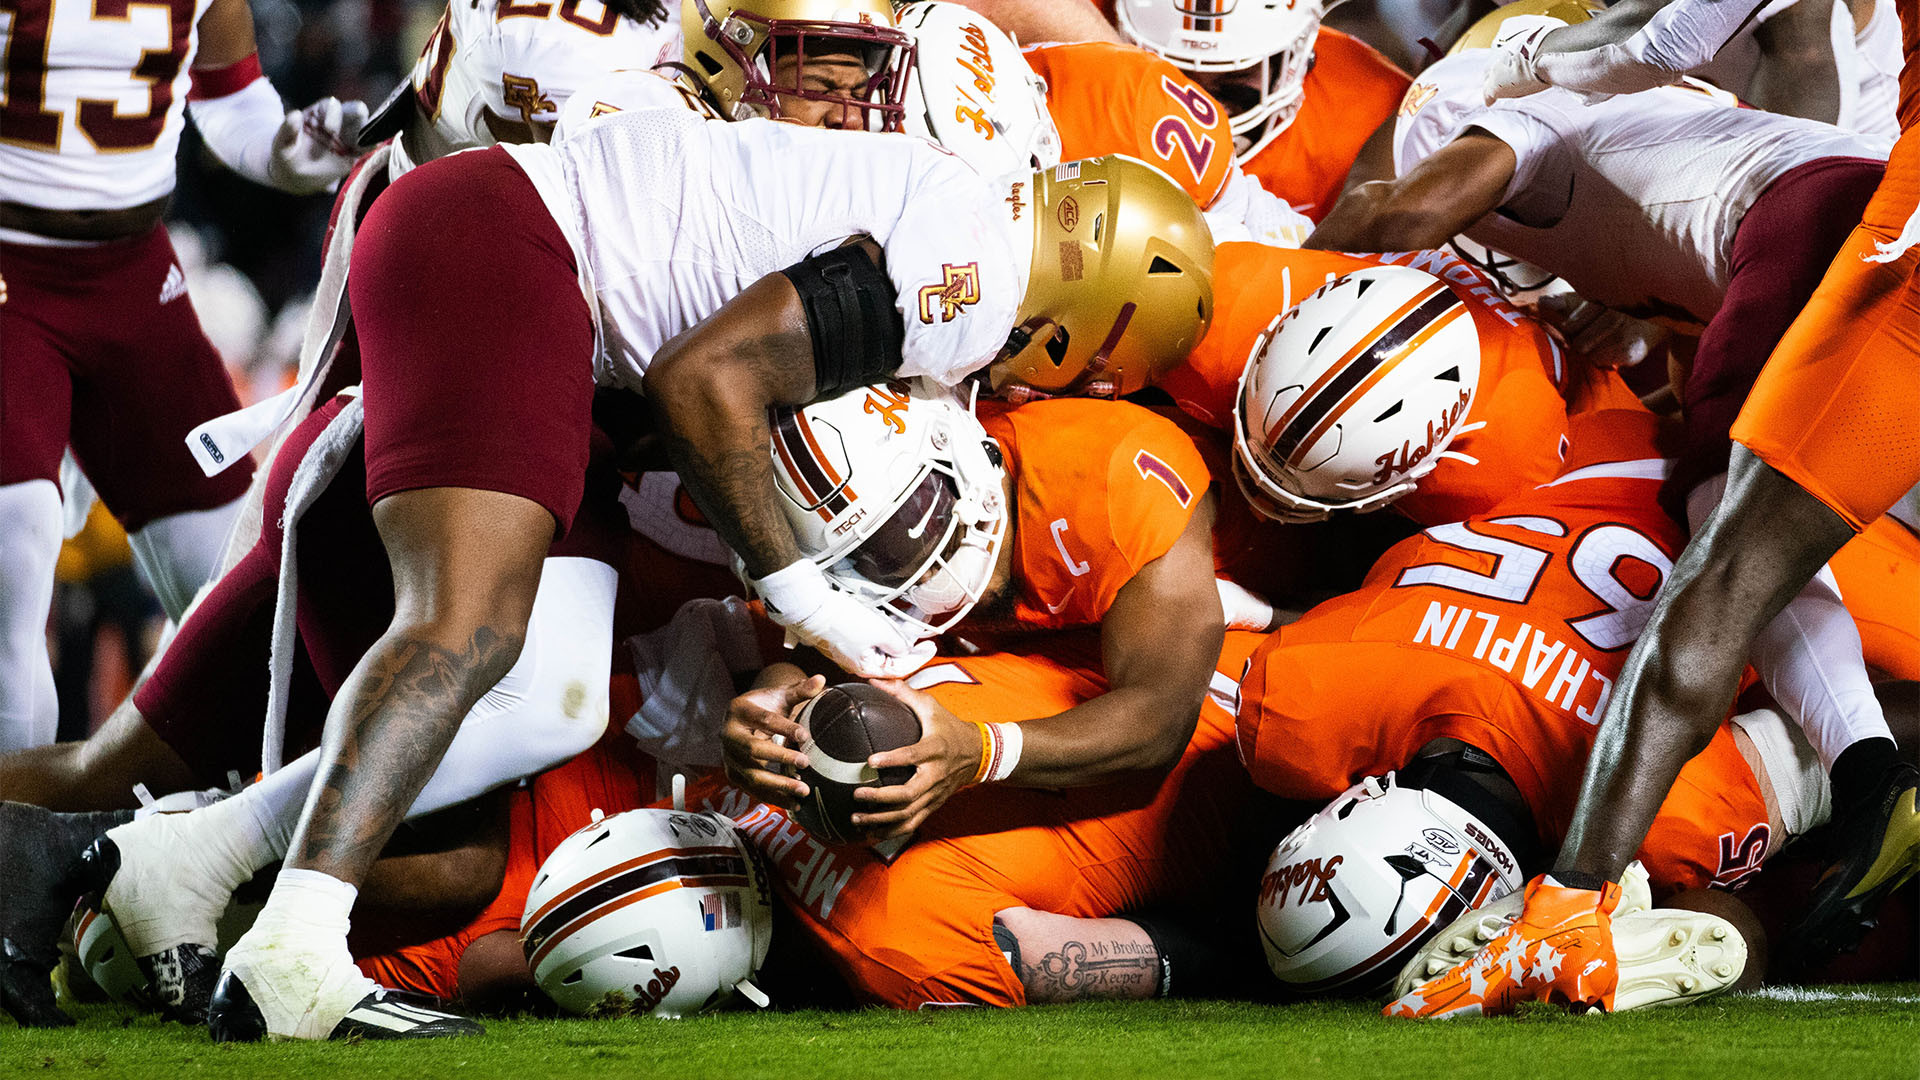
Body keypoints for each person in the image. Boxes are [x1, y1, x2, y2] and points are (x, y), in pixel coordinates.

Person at [1393, 0, 1920, 1019]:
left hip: (1866, 230)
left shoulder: (1502, 106)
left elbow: (1662, 43)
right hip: (1843, 204)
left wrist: (1530, 59)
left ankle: (1568, 903)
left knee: (1725, 558)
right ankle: (1870, 785)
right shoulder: (1706, 131)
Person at [0, 0, 364, 752]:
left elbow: (229, 98)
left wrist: (289, 150)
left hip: (134, 276)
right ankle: (15, 843)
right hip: (9, 274)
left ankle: (228, 830)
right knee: (14, 547)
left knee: (235, 582)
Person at [1116, 0, 1411, 220]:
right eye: (1177, 74)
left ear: (1297, 57)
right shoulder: (1092, 46)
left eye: (1233, 77)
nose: (1201, 104)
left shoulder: (1377, 107)